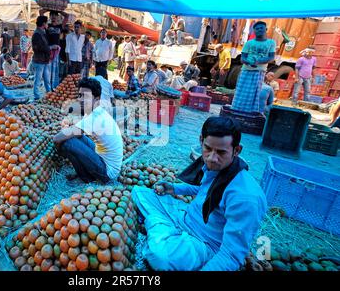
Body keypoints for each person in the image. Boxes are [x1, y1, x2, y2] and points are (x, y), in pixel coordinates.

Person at [132, 116, 267, 271]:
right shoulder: (219, 167)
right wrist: (174, 189)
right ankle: (163, 228)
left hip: (202, 243)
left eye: (221, 152)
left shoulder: (246, 198)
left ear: (236, 150)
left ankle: (158, 224)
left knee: (160, 258)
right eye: (208, 148)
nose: (211, 158)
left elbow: (230, 255)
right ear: (201, 140)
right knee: (139, 192)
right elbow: (205, 191)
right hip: (185, 217)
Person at [53, 78, 123, 183]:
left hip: (107, 172)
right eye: (80, 95)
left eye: (85, 96)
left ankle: (87, 177)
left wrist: (59, 151)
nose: (81, 99)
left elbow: (56, 139)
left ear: (97, 99)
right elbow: (77, 132)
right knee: (77, 136)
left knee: (68, 142)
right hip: (103, 158)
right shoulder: (95, 111)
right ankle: (85, 172)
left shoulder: (94, 116)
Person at [232, 21, 276, 113]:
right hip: (245, 71)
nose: (259, 30)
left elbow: (271, 57)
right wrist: (249, 62)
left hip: (259, 72)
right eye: (257, 29)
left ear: (266, 29)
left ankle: (249, 113)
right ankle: (236, 110)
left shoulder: (271, 42)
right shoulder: (249, 43)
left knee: (254, 94)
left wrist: (258, 61)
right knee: (240, 93)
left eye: (261, 28)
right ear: (254, 31)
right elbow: (242, 58)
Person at [44, 10, 69, 89]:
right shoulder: (47, 26)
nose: (53, 17)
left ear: (58, 17)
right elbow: (40, 12)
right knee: (48, 70)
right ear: (50, 17)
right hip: (49, 51)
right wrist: (49, 8)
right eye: (52, 15)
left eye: (55, 15)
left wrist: (58, 10)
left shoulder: (60, 26)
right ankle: (48, 88)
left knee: (56, 70)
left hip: (57, 51)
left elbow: (67, 16)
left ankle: (54, 87)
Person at [31, 15, 52, 99]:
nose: (48, 24)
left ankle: (49, 94)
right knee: (38, 80)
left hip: (44, 60)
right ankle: (36, 96)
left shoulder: (43, 32)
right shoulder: (36, 34)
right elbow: (37, 48)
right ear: (43, 23)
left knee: (47, 80)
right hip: (39, 61)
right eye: (47, 23)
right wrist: (50, 48)